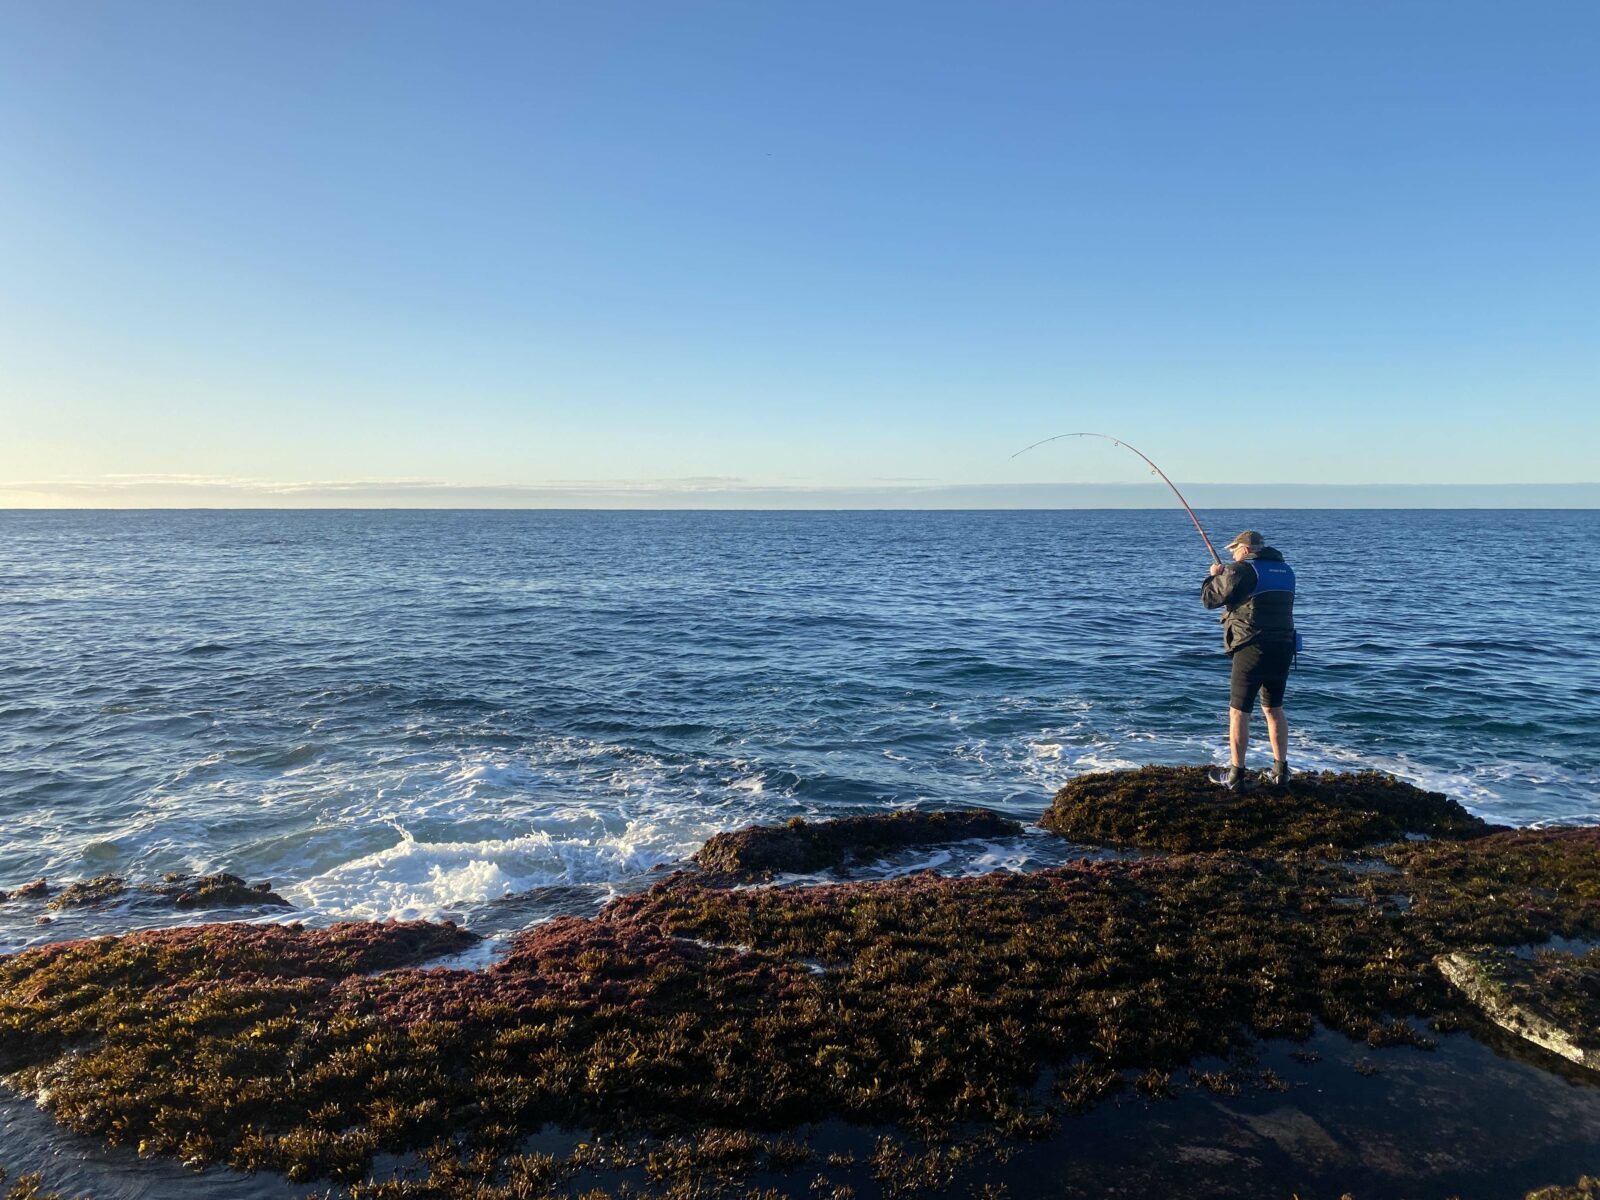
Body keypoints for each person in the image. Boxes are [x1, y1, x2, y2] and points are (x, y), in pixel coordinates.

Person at [1200, 529, 1296, 790]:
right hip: (1284, 647)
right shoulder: (1286, 571)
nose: (1233, 555)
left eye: (1234, 550)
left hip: (1252, 647)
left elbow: (1210, 599)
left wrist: (1214, 576)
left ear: (1244, 549)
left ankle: (1236, 776)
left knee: (1239, 712)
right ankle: (1281, 772)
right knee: (1274, 708)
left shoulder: (1242, 570)